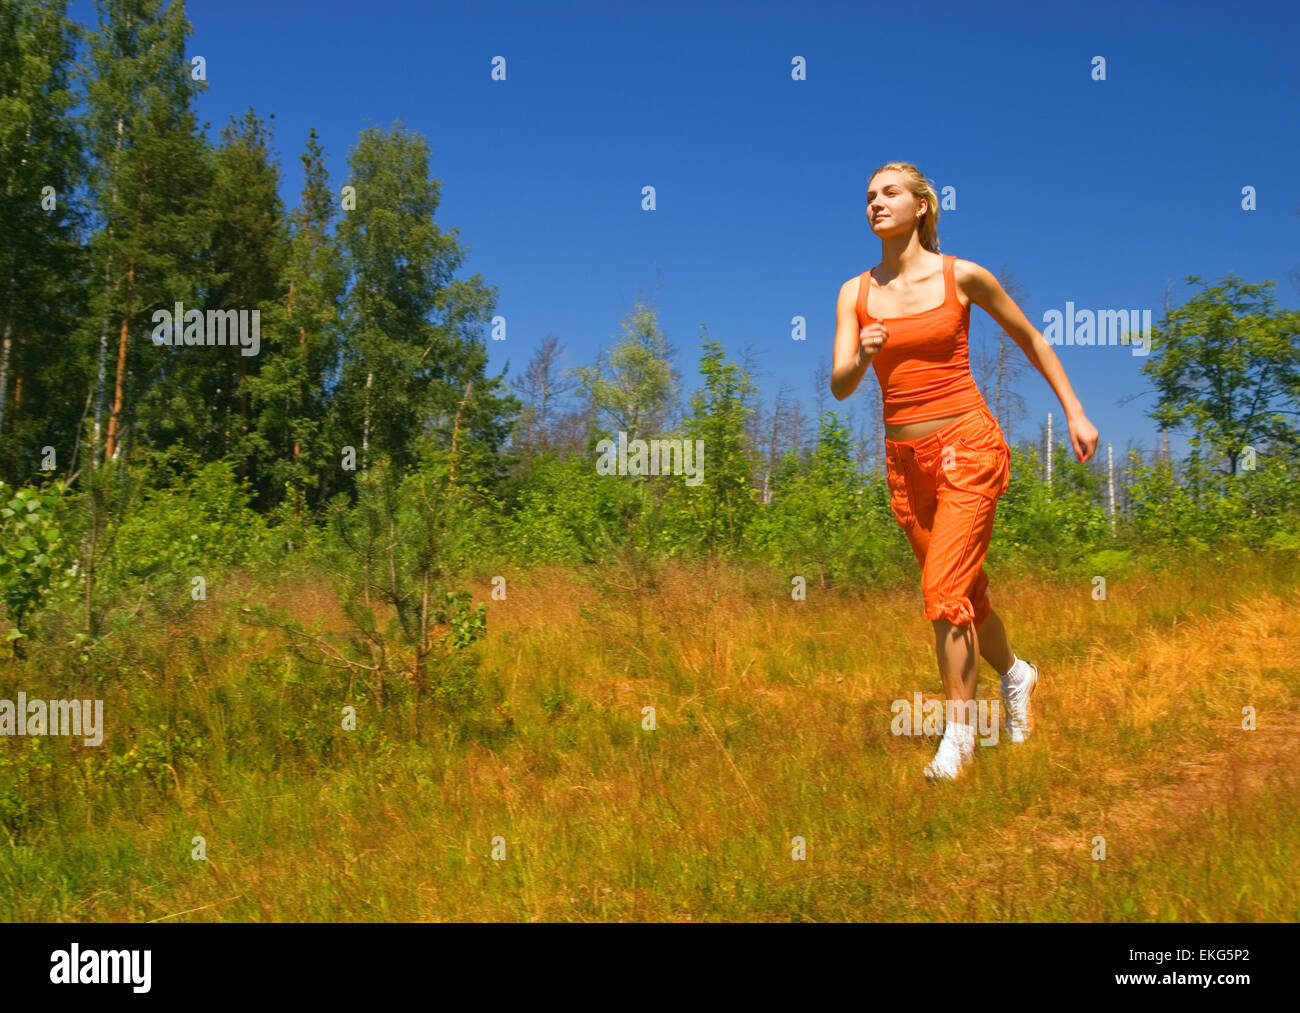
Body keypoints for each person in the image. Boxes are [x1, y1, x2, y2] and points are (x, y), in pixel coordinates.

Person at [830, 161, 1099, 780]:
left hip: (966, 447)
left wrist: (1077, 411)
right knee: (966, 598)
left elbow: (1031, 338)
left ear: (922, 205)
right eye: (869, 195)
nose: (875, 202)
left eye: (890, 192)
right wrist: (864, 353)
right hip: (905, 464)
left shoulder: (963, 276)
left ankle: (959, 737)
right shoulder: (856, 293)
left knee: (943, 591)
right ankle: (1018, 675)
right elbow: (842, 384)